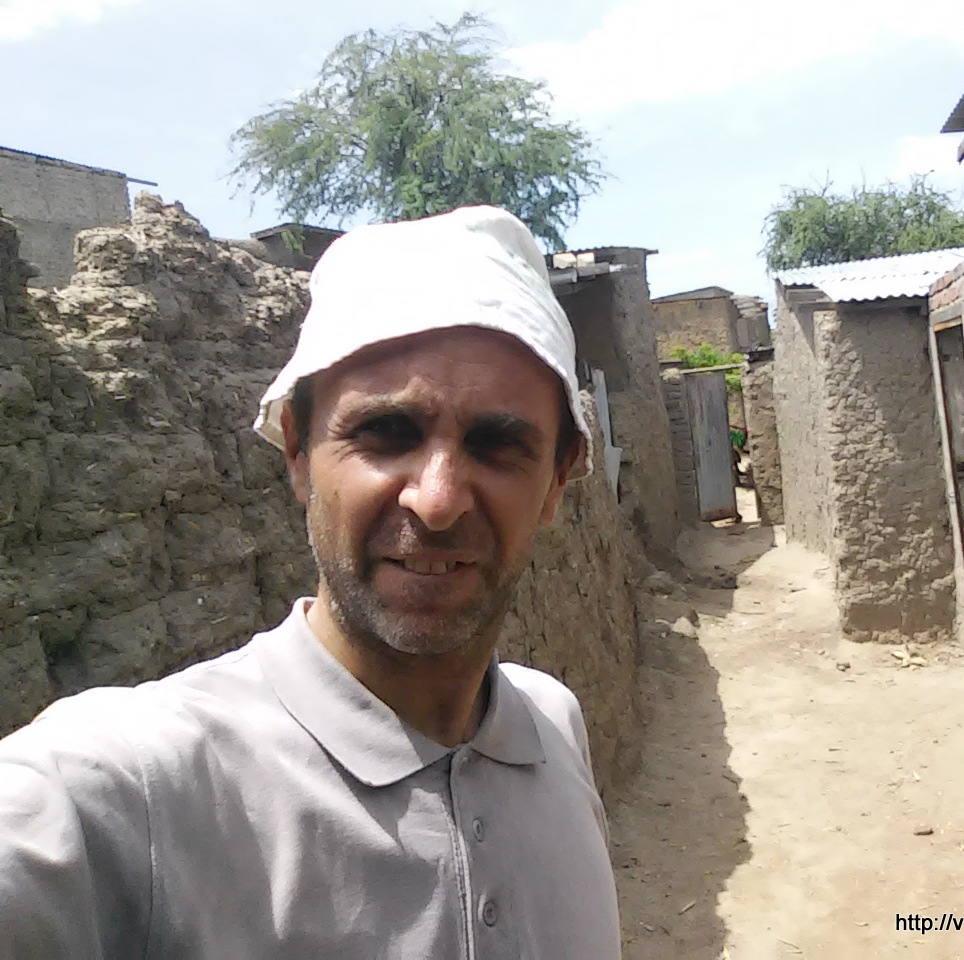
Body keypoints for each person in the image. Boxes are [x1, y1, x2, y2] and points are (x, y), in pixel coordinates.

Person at [0, 206, 622, 959]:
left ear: (557, 482)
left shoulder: (552, 726)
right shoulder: (127, 791)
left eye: (499, 446)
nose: (437, 498)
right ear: (297, 452)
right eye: (386, 434)